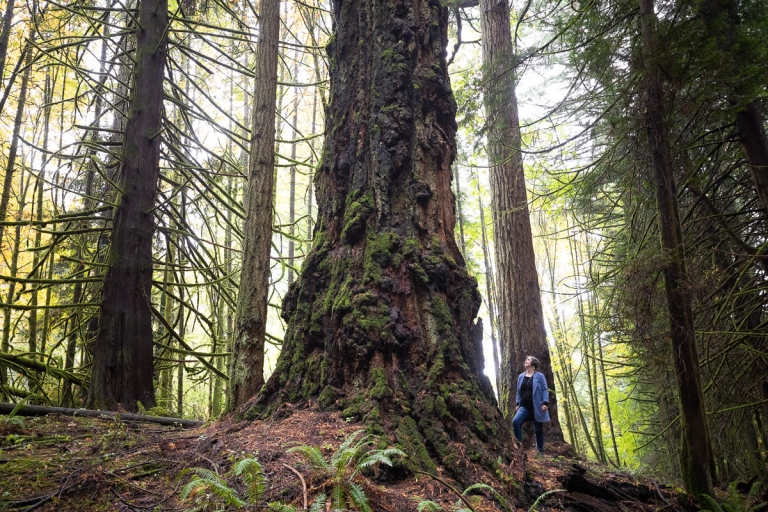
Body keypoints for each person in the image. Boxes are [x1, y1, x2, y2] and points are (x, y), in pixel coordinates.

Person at [513, 355, 550, 453]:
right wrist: (517, 403)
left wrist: (545, 403)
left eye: (528, 360)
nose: (526, 361)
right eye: (526, 359)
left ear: (533, 364)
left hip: (537, 407)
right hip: (524, 406)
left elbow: (545, 390)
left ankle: (540, 451)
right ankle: (519, 446)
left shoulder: (540, 376)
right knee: (516, 421)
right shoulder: (521, 376)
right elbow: (518, 391)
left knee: (538, 429)